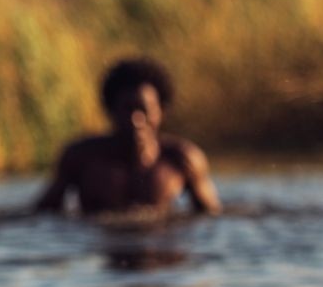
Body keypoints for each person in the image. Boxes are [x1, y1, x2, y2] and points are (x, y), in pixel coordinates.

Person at [34, 58, 221, 218]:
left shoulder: (182, 159)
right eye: (127, 109)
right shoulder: (81, 157)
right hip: (101, 250)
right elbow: (45, 214)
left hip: (162, 249)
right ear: (111, 110)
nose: (137, 120)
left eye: (144, 111)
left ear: (161, 111)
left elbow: (211, 216)